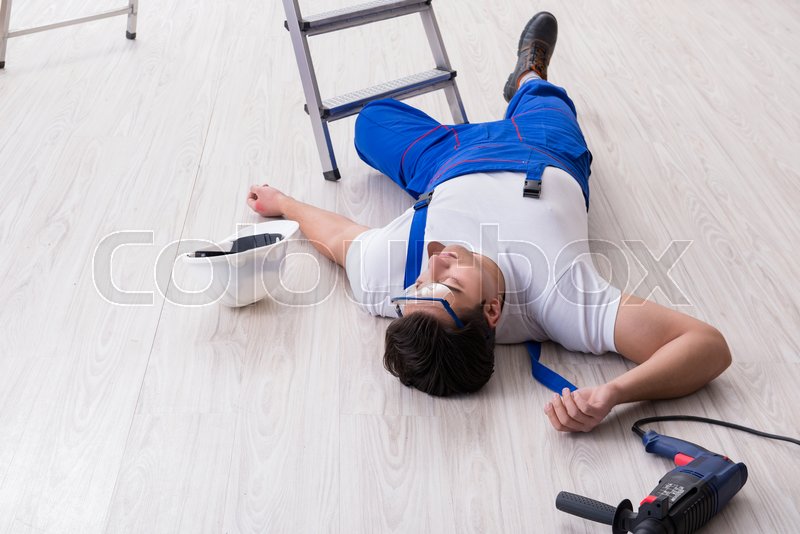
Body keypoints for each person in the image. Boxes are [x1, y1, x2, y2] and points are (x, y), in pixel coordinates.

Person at [246, 12, 731, 432]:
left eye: (419, 283)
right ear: (494, 312)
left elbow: (339, 237)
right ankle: (528, 77)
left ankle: (466, 126)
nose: (434, 263)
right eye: (450, 286)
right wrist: (614, 394)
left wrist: (285, 204)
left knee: (370, 122)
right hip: (540, 148)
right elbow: (707, 345)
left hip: (447, 163)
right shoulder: (561, 299)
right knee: (547, 101)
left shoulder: (385, 282)